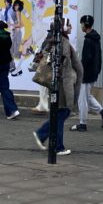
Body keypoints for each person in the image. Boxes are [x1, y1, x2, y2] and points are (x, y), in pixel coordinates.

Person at [32, 19, 82, 155]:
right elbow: (64, 69)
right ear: (64, 28)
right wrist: (69, 93)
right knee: (61, 113)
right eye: (69, 25)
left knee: (59, 114)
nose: (71, 27)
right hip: (62, 86)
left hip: (58, 85)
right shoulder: (63, 43)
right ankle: (56, 145)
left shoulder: (56, 41)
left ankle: (44, 136)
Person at [72, 15, 103, 132]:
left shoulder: (88, 40)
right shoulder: (95, 38)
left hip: (86, 74)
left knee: (81, 99)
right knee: (87, 96)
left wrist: (79, 70)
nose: (81, 26)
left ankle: (82, 124)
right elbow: (99, 56)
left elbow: (86, 59)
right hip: (93, 73)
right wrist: (97, 70)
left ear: (85, 24)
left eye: (81, 23)